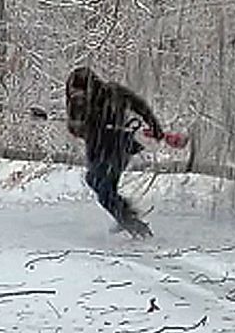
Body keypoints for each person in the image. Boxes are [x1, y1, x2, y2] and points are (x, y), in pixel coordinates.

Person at [65, 66, 164, 237]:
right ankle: (126, 214)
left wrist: (154, 127)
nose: (78, 97)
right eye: (74, 93)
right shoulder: (74, 102)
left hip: (118, 146)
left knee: (104, 190)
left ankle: (134, 225)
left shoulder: (113, 93)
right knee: (94, 181)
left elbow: (139, 106)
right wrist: (83, 127)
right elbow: (74, 128)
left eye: (81, 92)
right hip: (96, 148)